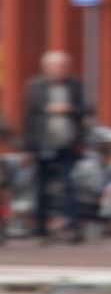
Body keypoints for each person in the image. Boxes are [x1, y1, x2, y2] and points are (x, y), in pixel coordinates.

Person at [23, 50, 87, 242]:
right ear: (46, 67)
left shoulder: (74, 85)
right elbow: (29, 115)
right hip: (43, 143)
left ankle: (72, 225)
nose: (59, 69)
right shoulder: (35, 86)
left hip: (68, 143)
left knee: (69, 183)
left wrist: (69, 108)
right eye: (55, 66)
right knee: (41, 185)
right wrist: (28, 146)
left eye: (62, 66)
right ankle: (40, 226)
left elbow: (85, 109)